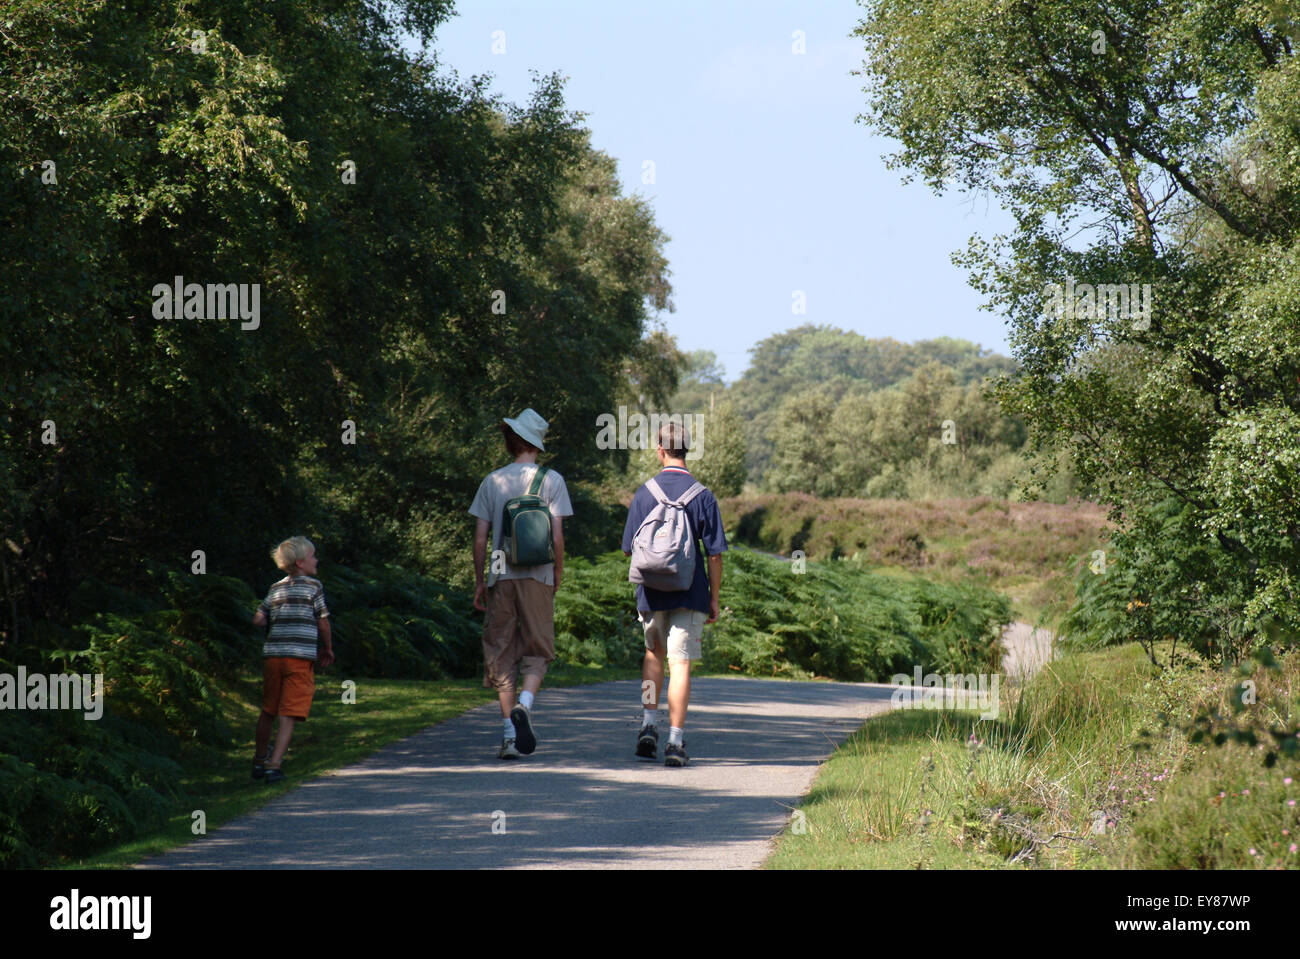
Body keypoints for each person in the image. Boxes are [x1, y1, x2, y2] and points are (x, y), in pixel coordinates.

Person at [469, 408, 573, 759]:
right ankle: (525, 705)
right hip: (538, 572)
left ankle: (509, 736)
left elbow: (480, 539)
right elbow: (557, 537)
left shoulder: (492, 480)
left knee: (501, 651)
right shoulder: (552, 480)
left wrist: (480, 581)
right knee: (538, 647)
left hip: (500, 571)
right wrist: (557, 572)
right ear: (536, 444)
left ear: (512, 440)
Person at [622, 421, 727, 767]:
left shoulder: (644, 493)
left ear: (660, 450)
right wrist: (713, 597)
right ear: (687, 449)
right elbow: (714, 554)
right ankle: (675, 743)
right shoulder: (703, 496)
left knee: (653, 656)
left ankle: (648, 726)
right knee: (679, 665)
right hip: (690, 592)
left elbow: (628, 550)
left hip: (651, 593)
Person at [252, 536, 334, 784]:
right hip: (299, 658)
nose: (316, 559)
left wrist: (275, 620)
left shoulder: (276, 588)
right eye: (313, 556)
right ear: (300, 563)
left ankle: (258, 760)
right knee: (288, 713)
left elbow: (258, 619)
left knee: (268, 710)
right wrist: (328, 648)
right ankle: (273, 766)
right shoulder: (314, 587)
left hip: (273, 656)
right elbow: (323, 620)